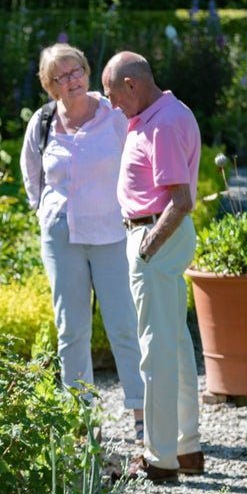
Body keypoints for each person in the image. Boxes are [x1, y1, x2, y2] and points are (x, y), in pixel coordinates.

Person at [20, 43, 146, 441]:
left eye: (76, 71)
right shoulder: (42, 122)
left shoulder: (112, 116)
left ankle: (143, 418)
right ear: (49, 86)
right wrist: (42, 210)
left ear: (87, 73)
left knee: (124, 326)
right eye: (61, 76)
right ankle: (81, 421)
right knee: (70, 330)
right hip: (61, 236)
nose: (71, 80)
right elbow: (31, 171)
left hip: (110, 233)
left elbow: (139, 160)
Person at [101, 51, 204, 484]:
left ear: (132, 85)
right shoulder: (162, 112)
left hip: (154, 236)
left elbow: (181, 201)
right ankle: (186, 448)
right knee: (175, 345)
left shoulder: (161, 123)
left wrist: (146, 247)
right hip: (155, 237)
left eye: (113, 96)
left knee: (155, 351)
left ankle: (159, 459)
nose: (112, 105)